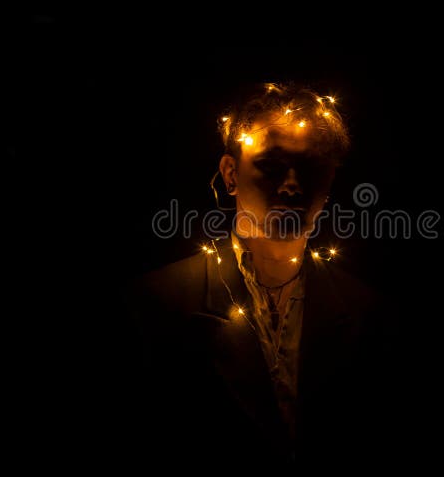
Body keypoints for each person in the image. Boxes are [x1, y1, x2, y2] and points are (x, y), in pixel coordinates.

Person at [125, 82, 396, 468]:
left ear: (330, 181)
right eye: (271, 166)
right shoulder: (155, 304)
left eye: (311, 168)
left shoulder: (369, 315)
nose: (292, 185)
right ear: (230, 174)